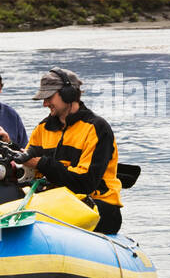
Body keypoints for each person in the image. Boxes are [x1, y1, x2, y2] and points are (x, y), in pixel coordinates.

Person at [20, 68, 123, 235]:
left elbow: (85, 183)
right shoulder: (42, 128)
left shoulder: (97, 128)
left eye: (49, 97)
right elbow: (29, 172)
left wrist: (42, 163)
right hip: (56, 201)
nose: (45, 103)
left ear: (68, 94)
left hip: (99, 206)